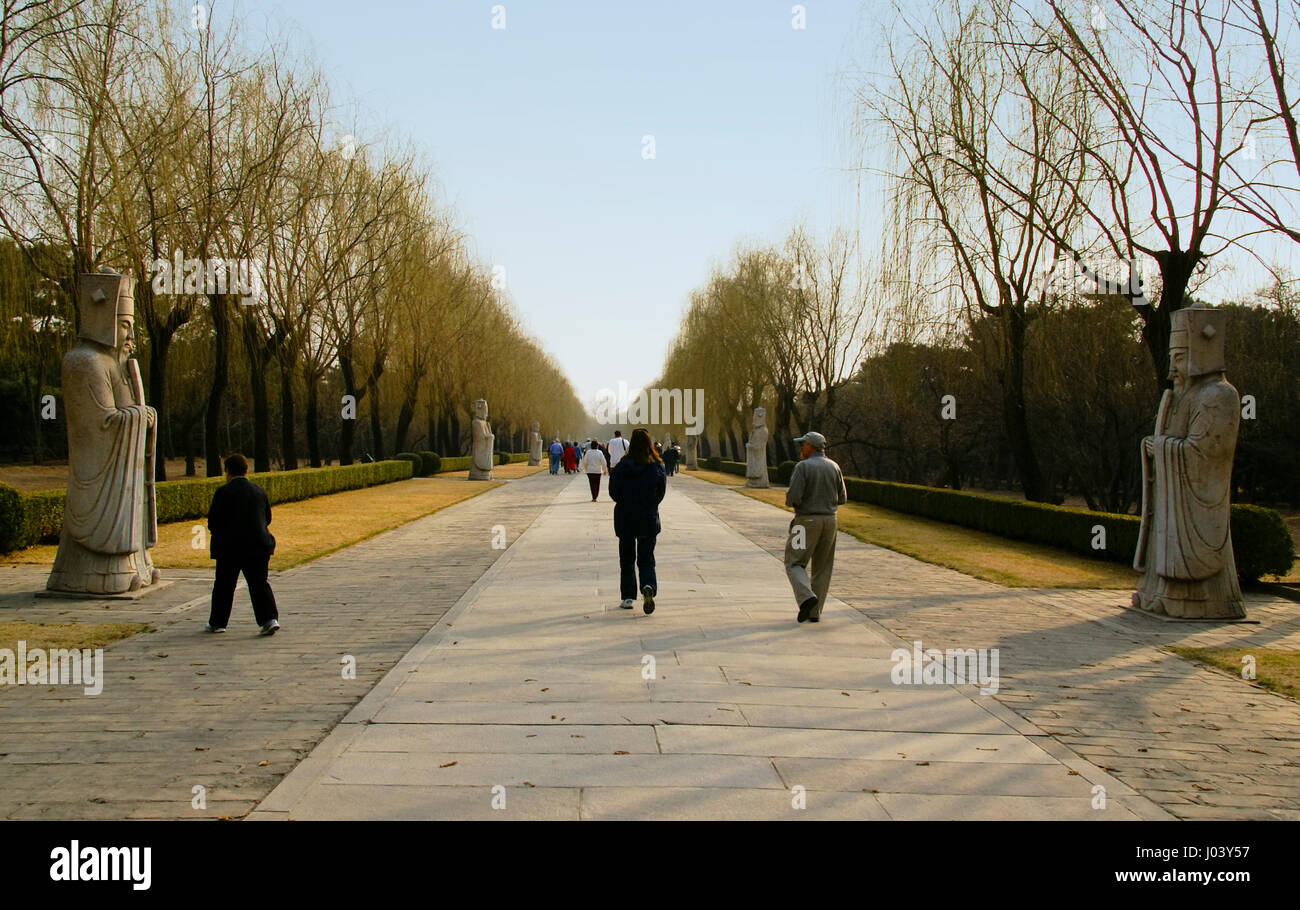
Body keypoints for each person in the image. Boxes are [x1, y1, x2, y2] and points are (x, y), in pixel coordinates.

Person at [205, 453, 280, 635]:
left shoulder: (223, 492)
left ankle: (218, 622)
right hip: (258, 545)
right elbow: (267, 518)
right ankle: (269, 619)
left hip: (229, 547)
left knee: (224, 585)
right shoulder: (258, 491)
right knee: (259, 583)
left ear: (228, 471)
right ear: (246, 470)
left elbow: (213, 522)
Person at [783, 431, 847, 624]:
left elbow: (793, 497)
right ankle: (815, 612)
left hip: (805, 522)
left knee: (794, 561)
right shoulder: (834, 466)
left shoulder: (803, 467)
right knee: (823, 566)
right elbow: (842, 497)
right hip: (830, 522)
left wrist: (793, 501)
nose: (801, 448)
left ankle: (807, 598)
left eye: (803, 444)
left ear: (810, 446)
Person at [608, 428, 666, 614]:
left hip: (626, 518)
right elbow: (661, 492)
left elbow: (613, 492)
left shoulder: (622, 466)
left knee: (626, 559)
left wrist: (626, 502)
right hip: (648, 518)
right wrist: (649, 504)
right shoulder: (657, 465)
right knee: (647, 558)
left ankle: (627, 597)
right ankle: (648, 585)